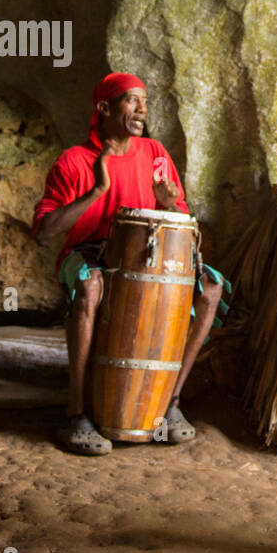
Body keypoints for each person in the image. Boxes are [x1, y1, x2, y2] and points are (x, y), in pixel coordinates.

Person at [32, 72, 227, 456]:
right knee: (89, 285)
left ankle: (171, 402)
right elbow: (43, 232)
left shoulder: (155, 155)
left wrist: (167, 204)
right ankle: (76, 415)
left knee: (212, 288)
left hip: (143, 257)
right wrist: (97, 189)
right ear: (104, 108)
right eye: (132, 100)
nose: (142, 109)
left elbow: (181, 221)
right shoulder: (74, 161)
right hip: (89, 253)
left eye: (145, 102)